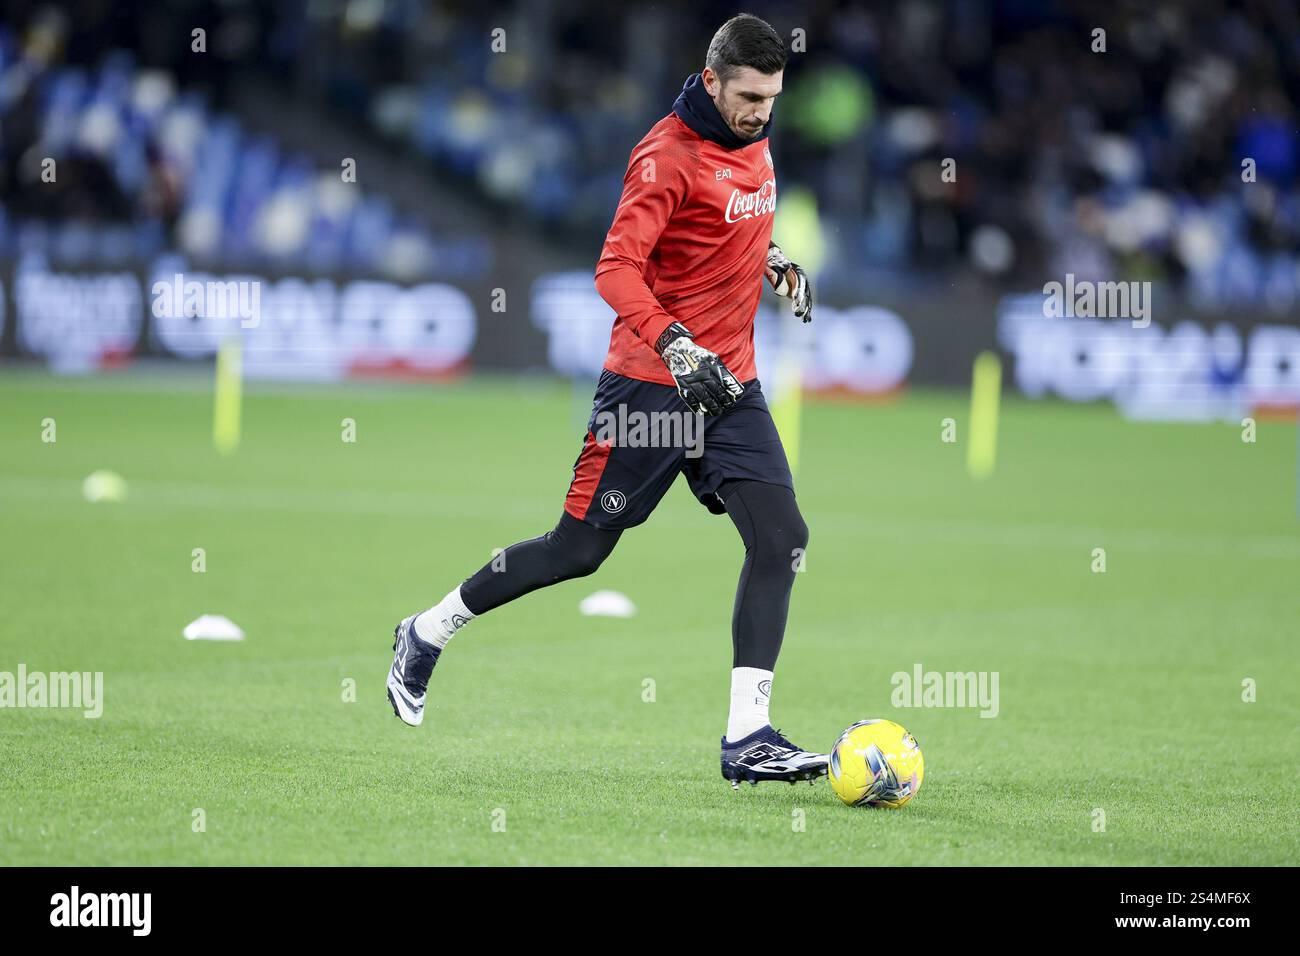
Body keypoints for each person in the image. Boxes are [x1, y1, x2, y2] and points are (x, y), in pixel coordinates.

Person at [386, 13, 820, 787]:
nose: (762, 110)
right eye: (750, 96)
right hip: (652, 386)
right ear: (712, 80)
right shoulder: (664, 156)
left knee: (783, 536)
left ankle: (747, 736)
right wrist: (675, 343)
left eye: (772, 97)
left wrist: (773, 260)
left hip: (730, 384)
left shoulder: (753, 134)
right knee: (577, 550)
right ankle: (426, 631)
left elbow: (723, 227)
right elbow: (615, 270)